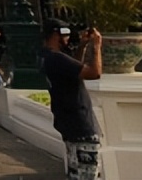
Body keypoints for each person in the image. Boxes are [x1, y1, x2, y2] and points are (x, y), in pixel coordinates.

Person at [39, 19, 103, 180]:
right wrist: (96, 46)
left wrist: (82, 46)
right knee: (87, 176)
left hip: (69, 125)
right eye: (65, 33)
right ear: (55, 34)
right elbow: (94, 73)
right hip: (81, 126)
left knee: (76, 174)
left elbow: (74, 69)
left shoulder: (46, 57)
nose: (68, 38)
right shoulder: (57, 59)